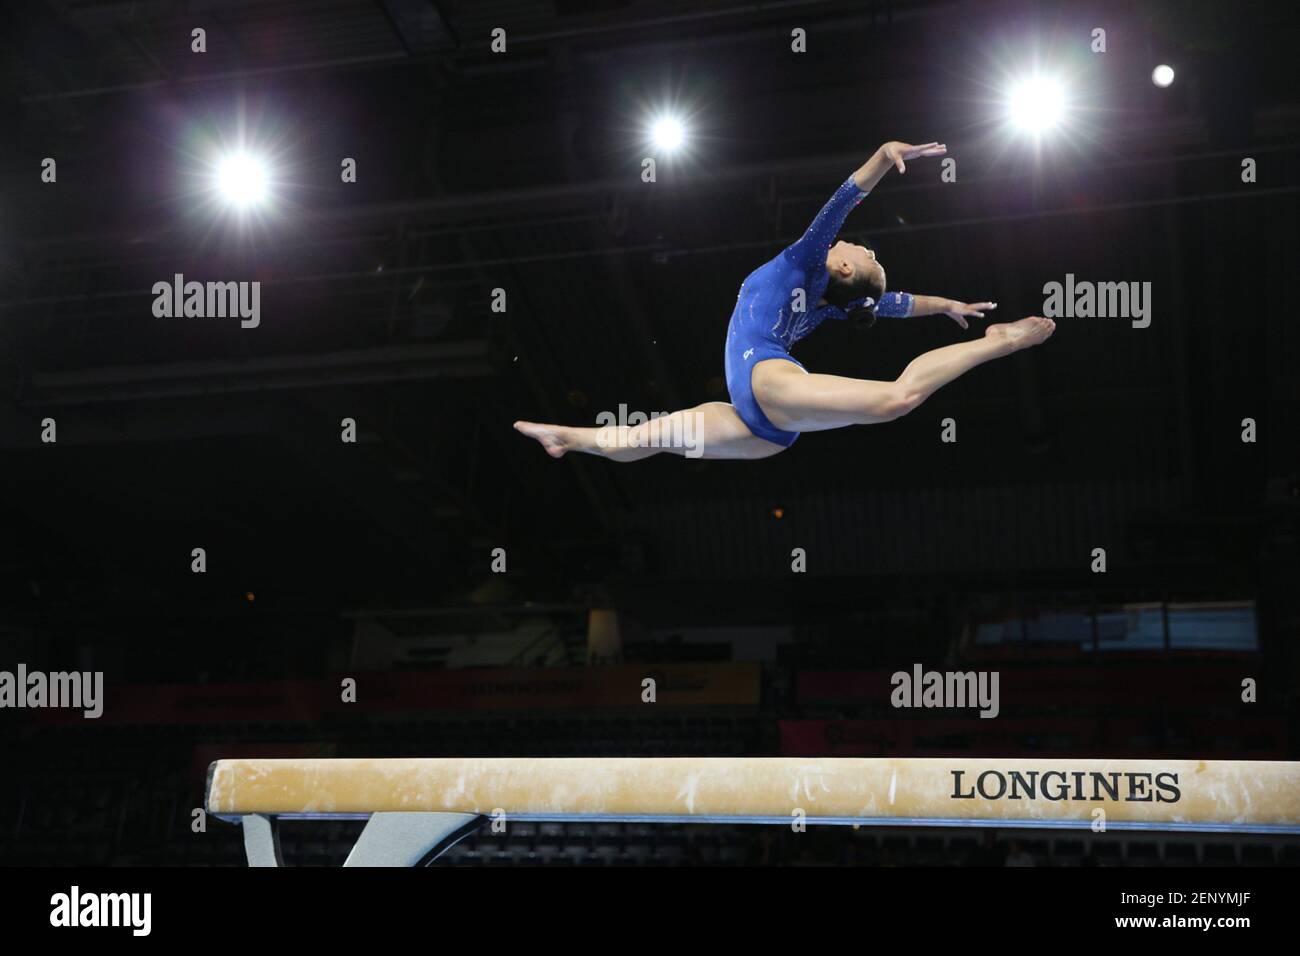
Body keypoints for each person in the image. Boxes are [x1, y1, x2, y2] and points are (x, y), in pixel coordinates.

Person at [516, 140, 1055, 461]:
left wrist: (882, 156)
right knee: (638, 441)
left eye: (867, 254)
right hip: (760, 427)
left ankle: (999, 343)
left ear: (846, 268)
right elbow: (899, 303)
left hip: (767, 386)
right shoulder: (824, 294)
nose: (863, 246)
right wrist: (948, 305)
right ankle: (564, 437)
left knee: (897, 399)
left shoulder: (808, 261)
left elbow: (840, 207)